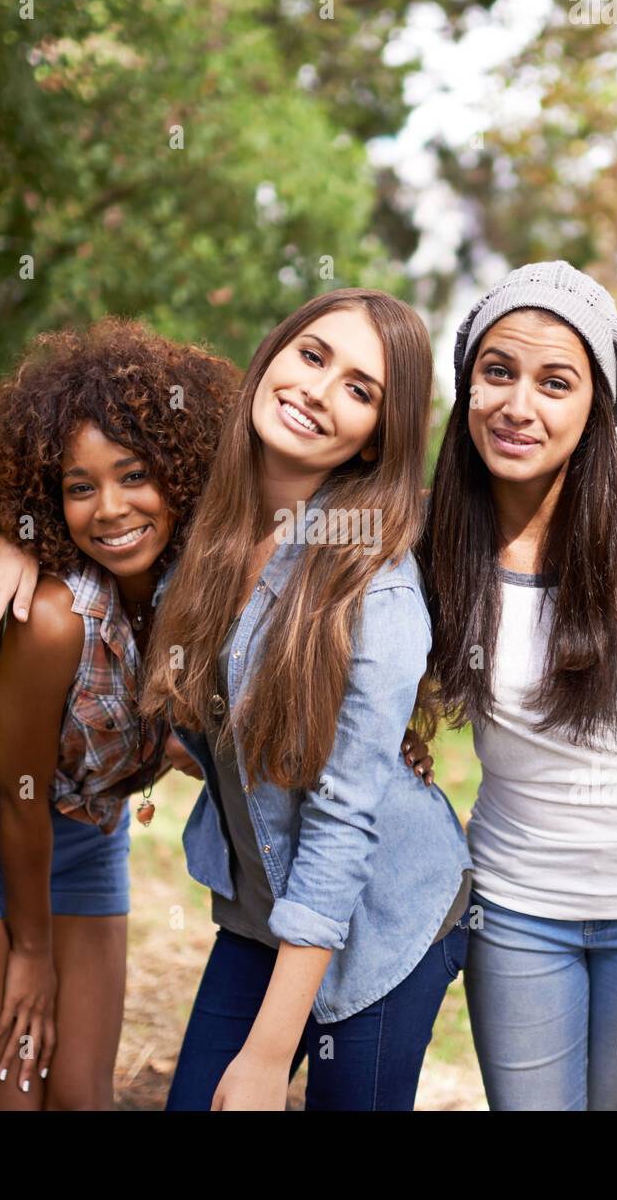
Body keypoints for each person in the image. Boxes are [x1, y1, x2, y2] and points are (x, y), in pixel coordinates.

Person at [141, 289, 473, 1111]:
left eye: (361, 390)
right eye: (313, 356)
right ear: (274, 355)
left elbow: (339, 825)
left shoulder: (373, 590)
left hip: (383, 912)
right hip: (267, 909)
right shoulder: (216, 525)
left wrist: (266, 1055)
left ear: (375, 439)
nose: (320, 391)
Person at [420, 261, 617, 1110]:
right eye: (498, 372)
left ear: (598, 405)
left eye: (557, 381)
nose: (520, 405)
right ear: (468, 385)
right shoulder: (431, 537)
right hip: (514, 905)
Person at [0, 318, 240, 1108]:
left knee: (81, 1096)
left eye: (133, 474)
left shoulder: (206, 593)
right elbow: (19, 795)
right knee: (9, 1096)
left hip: (91, 844)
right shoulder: (53, 620)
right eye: (79, 486)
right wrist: (30, 953)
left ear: (179, 472)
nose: (109, 509)